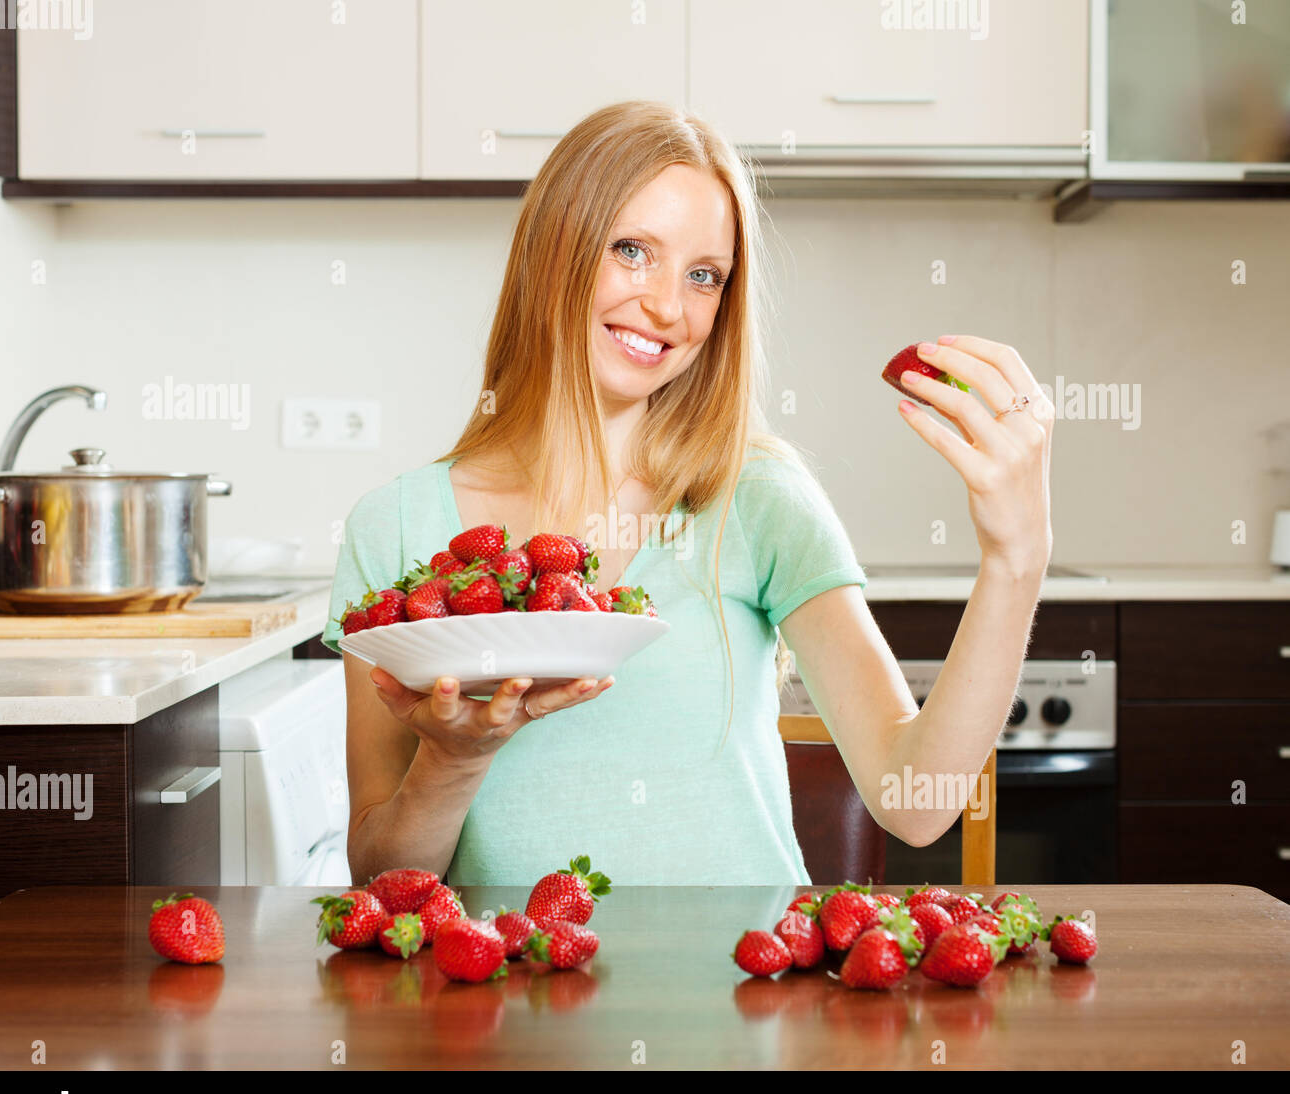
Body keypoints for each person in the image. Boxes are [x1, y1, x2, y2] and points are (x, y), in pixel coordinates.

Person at [322, 100, 1054, 888]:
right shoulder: (393, 528)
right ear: (551, 251)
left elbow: (916, 803)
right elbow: (382, 876)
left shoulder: (757, 496)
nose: (670, 307)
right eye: (633, 250)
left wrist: (1017, 557)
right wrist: (453, 756)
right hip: (504, 1005)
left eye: (703, 275)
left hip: (740, 998)